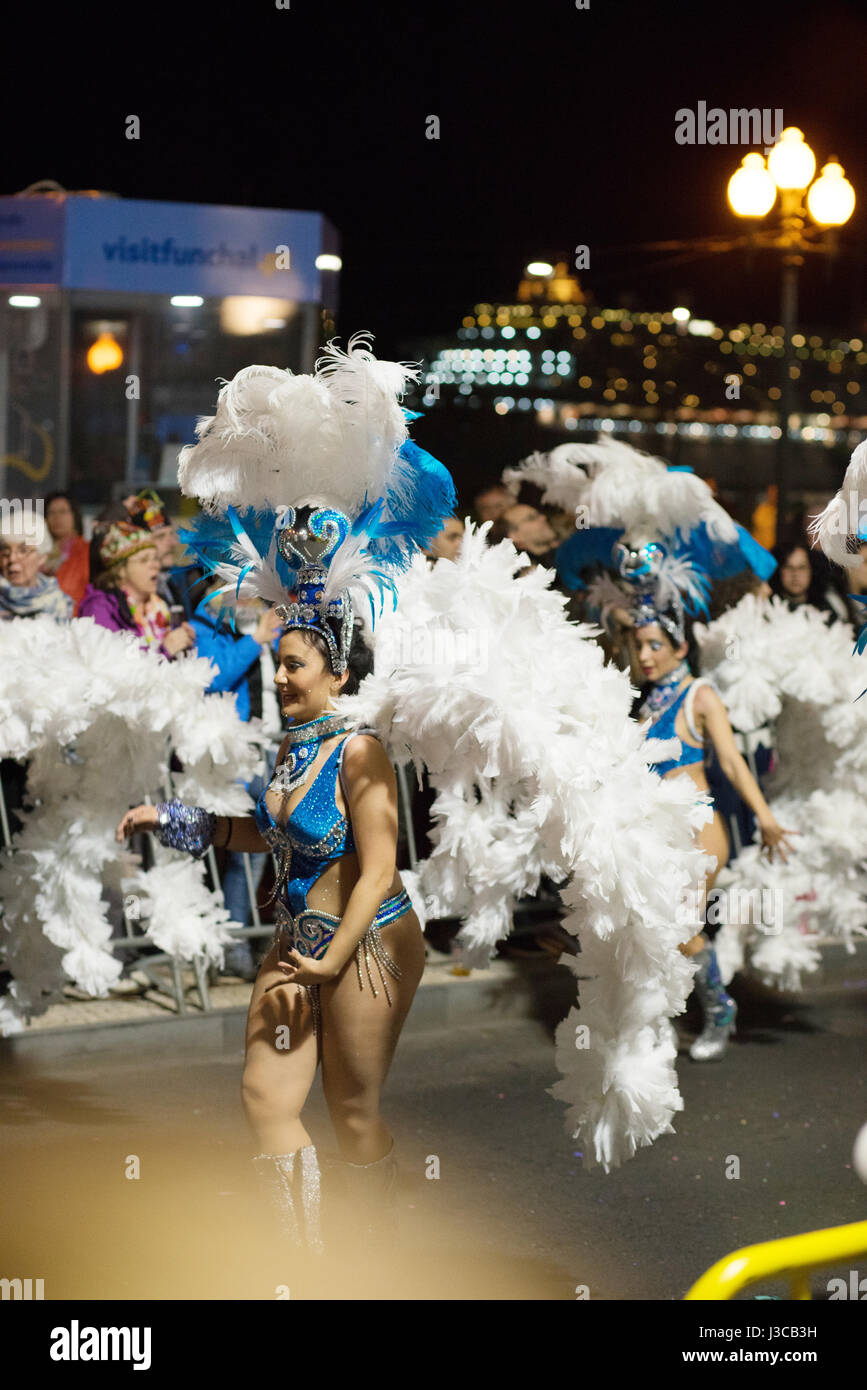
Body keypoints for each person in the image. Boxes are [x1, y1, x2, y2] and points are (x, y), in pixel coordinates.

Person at [115, 335, 457, 1254]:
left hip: (369, 939)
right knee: (267, 1100)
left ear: (336, 671)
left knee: (352, 1116)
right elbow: (268, 840)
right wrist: (177, 820)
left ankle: (372, 1244)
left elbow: (379, 863)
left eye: (296, 664)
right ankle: (301, 1265)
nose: (283, 675)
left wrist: (331, 957)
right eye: (279, 660)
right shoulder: (290, 749)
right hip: (299, 940)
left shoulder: (360, 749)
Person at [632, 594, 797, 1060]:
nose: (644, 655)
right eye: (639, 645)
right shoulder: (647, 707)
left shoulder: (699, 695)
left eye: (654, 644)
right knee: (651, 933)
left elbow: (731, 760)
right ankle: (662, 1023)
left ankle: (720, 1010)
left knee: (681, 929)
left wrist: (765, 817)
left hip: (699, 831)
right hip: (655, 833)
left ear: (680, 647)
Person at [189, 578, 284, 979]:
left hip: (275, 745)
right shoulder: (202, 625)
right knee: (238, 847)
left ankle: (267, 936)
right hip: (236, 750)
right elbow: (211, 679)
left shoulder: (264, 623)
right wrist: (255, 641)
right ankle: (232, 945)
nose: (250, 595)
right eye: (238, 585)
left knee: (271, 847)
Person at [78, 522, 195, 659]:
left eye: (155, 558)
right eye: (144, 560)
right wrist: (165, 650)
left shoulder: (158, 605)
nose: (155, 565)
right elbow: (109, 662)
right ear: (121, 570)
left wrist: (182, 643)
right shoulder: (98, 608)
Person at [0, 517, 73, 623]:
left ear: (42, 557)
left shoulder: (58, 603)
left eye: (23, 550)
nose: (12, 558)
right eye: (5, 551)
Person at [770, 537, 848, 625]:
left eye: (802, 567)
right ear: (779, 571)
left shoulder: (826, 610)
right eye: (788, 567)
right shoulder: (767, 609)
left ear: (812, 571)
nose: (795, 574)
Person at [42, 492, 90, 613]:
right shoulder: (37, 552)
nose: (56, 517)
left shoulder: (87, 551)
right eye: (51, 513)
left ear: (75, 516)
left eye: (63, 512)